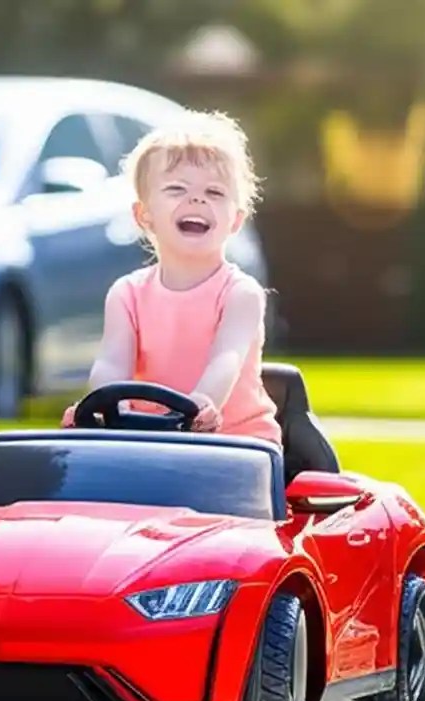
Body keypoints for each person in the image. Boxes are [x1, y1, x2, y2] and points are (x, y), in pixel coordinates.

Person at [61, 110, 282, 448]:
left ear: (236, 220)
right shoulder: (127, 294)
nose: (197, 199)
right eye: (177, 189)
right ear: (144, 214)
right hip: (149, 442)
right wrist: (106, 405)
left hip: (238, 447)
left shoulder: (240, 294)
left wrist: (204, 402)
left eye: (215, 192)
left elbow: (227, 358)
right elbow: (111, 363)